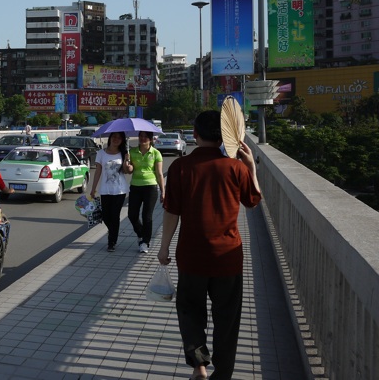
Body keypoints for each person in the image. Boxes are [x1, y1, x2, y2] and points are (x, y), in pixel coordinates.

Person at [157, 111, 262, 380]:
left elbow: (172, 212)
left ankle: (199, 366)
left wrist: (164, 247)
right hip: (227, 258)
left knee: (190, 312)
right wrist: (250, 166)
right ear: (223, 136)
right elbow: (253, 201)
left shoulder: (180, 167)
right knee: (227, 318)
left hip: (192, 255)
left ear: (195, 134)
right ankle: (223, 373)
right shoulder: (236, 168)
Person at [89, 131, 133, 251]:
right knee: (105, 216)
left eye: (119, 138)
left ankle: (111, 242)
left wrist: (126, 161)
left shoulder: (124, 153)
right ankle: (113, 231)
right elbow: (98, 171)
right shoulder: (101, 153)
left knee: (114, 216)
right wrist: (93, 189)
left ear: (122, 140)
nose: (116, 139)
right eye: (114, 137)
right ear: (110, 138)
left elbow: (126, 171)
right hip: (105, 190)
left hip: (120, 190)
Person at [128, 131, 164, 253]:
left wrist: (163, 192)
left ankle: (145, 242)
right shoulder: (132, 152)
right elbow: (129, 170)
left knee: (146, 216)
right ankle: (141, 233)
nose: (143, 138)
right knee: (132, 215)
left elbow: (159, 174)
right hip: (135, 186)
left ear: (150, 139)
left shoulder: (156, 153)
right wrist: (128, 164)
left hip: (151, 187)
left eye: (145, 136)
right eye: (141, 136)